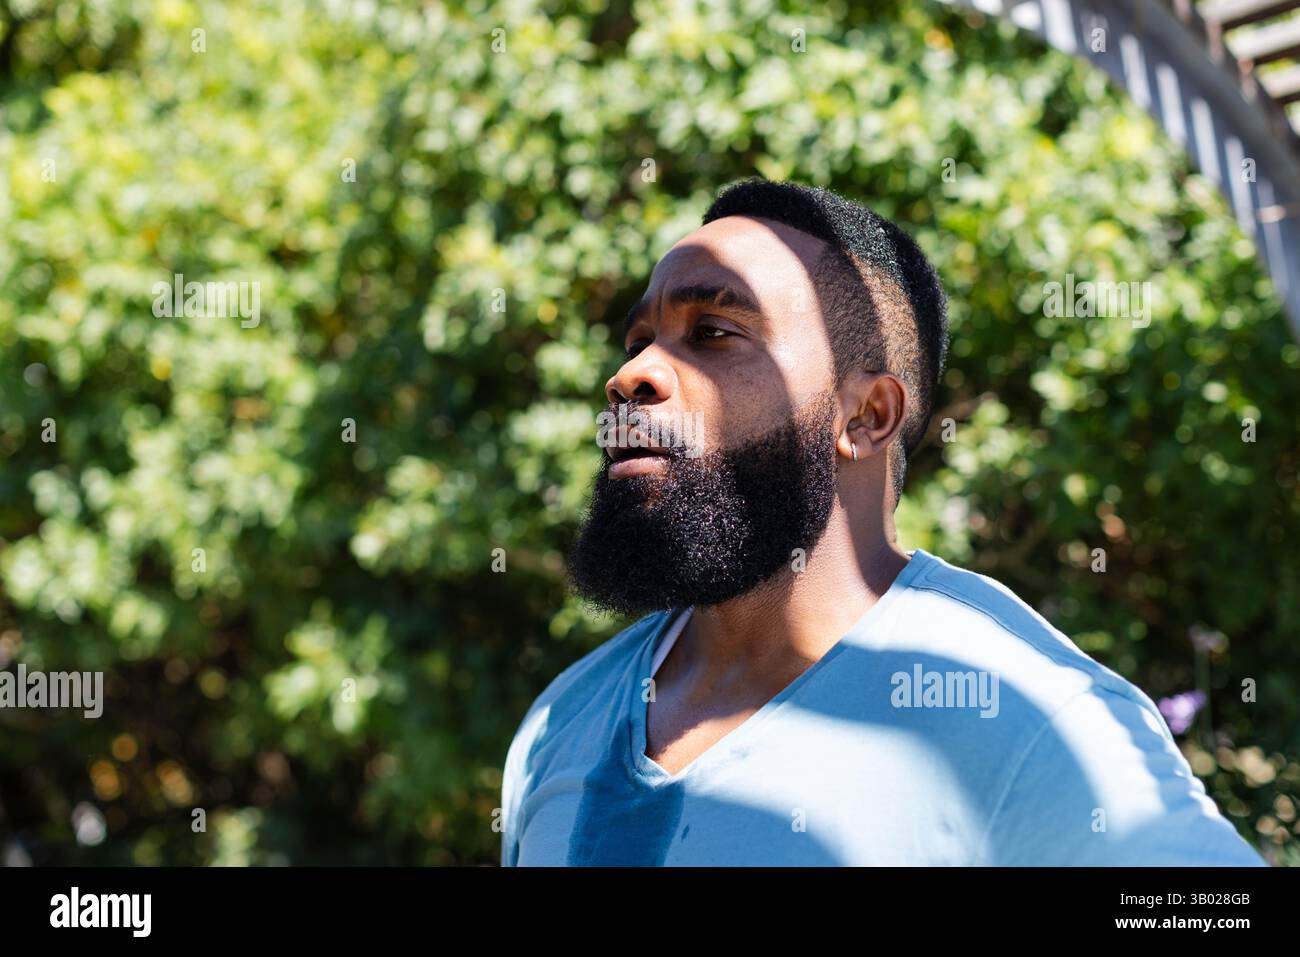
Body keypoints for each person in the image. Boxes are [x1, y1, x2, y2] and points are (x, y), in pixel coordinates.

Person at [499, 179, 1265, 866]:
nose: (631, 373)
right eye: (641, 340)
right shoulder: (560, 723)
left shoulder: (1027, 718)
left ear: (867, 415)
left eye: (713, 333)